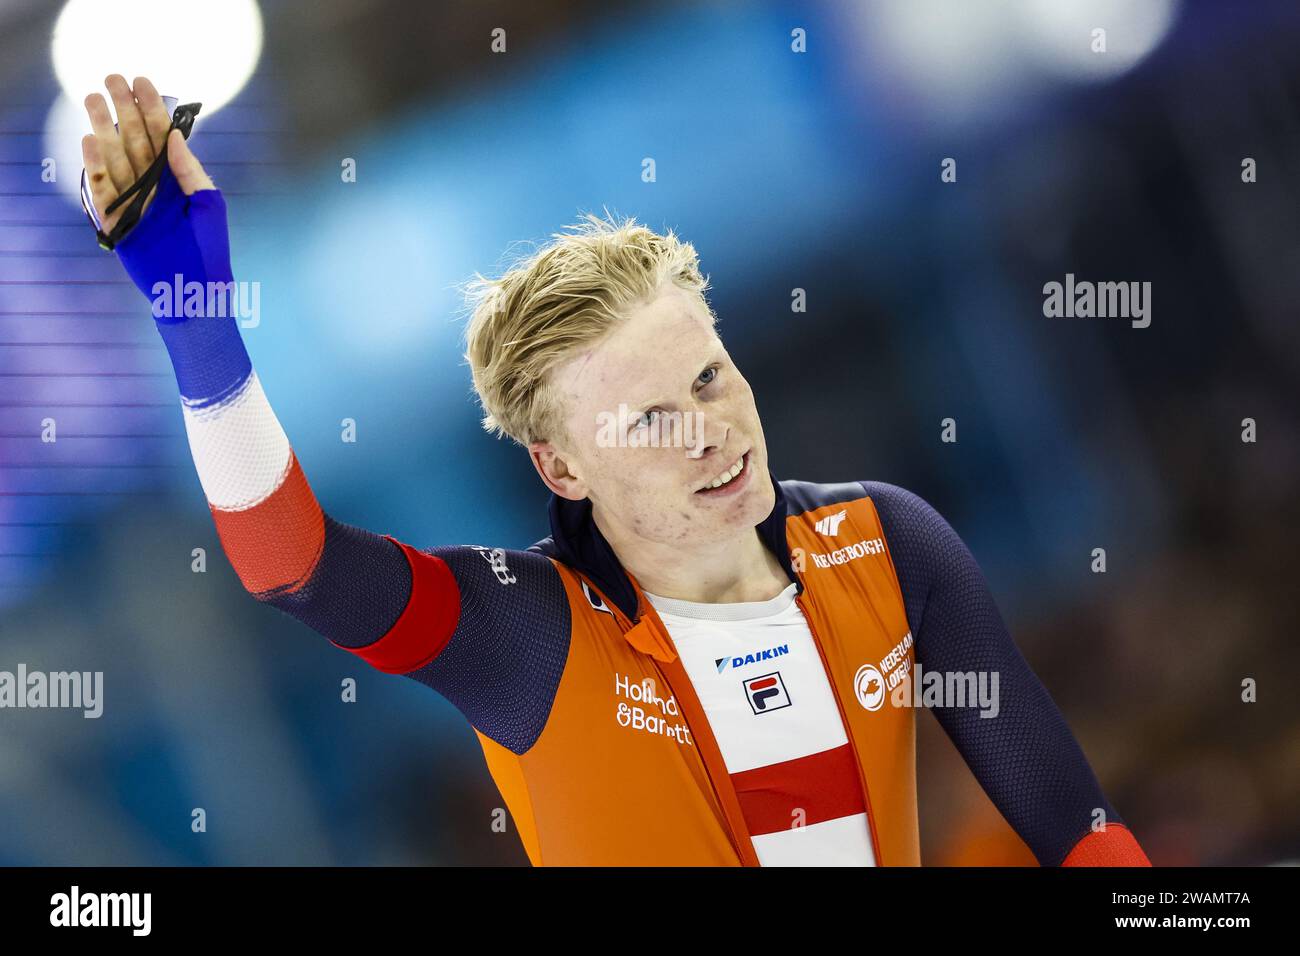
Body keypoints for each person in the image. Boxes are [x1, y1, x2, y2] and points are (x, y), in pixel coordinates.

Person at [80, 74, 1151, 867]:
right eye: (648, 419)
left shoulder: (889, 543)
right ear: (561, 465)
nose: (709, 430)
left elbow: (1082, 834)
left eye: (709, 377)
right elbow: (295, 568)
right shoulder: (528, 635)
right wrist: (198, 330)